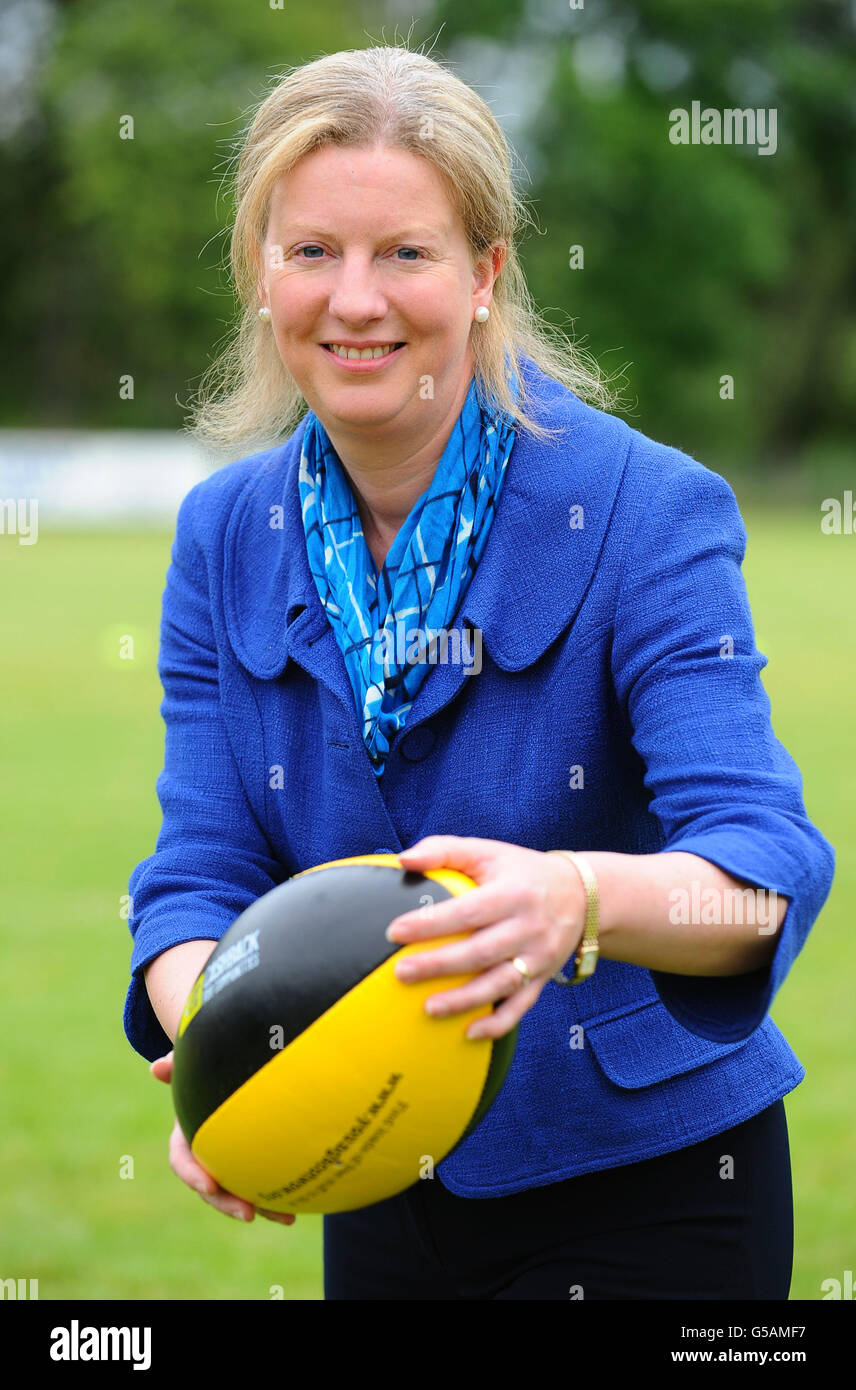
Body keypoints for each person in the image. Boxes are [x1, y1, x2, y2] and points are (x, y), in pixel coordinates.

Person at [125, 43, 835, 1301]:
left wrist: (578, 897)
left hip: (653, 1189)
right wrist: (237, 1049)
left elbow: (760, 876)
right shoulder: (223, 533)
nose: (356, 300)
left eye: (405, 252)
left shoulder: (644, 508)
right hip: (379, 1172)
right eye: (311, 253)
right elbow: (198, 882)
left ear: (486, 273)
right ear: (260, 275)